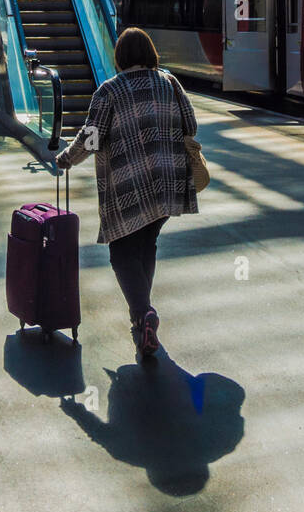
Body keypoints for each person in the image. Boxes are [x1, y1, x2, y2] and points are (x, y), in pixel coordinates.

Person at [57, 27, 199, 359]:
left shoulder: (111, 90)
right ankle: (142, 322)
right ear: (150, 53)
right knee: (144, 243)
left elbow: (91, 138)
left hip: (128, 185)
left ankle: (143, 315)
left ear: (120, 57)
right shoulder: (169, 82)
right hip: (168, 182)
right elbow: (190, 125)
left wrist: (66, 159)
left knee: (122, 254)